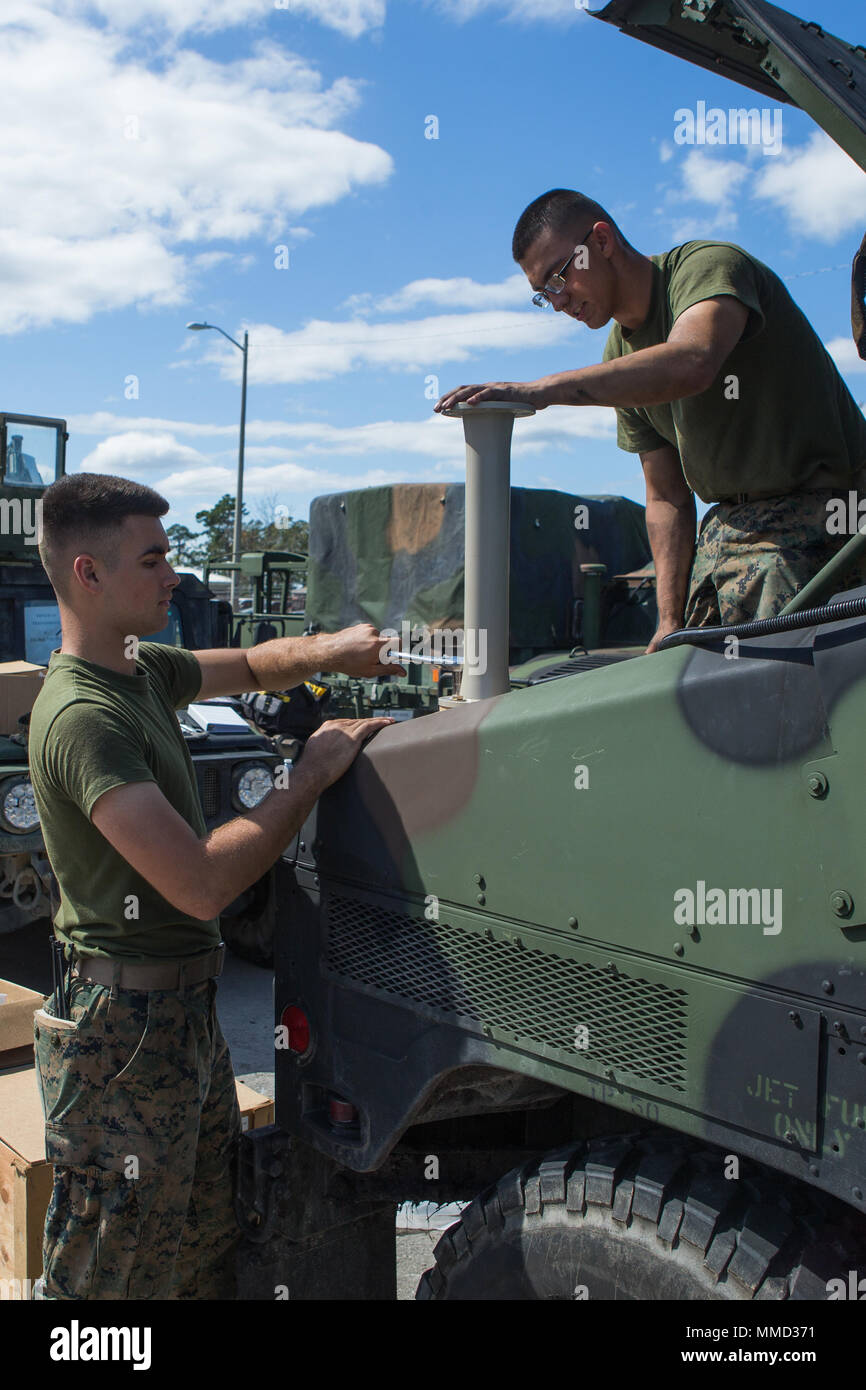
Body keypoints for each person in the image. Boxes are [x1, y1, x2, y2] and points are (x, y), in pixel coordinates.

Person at [28, 471, 403, 1300]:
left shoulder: (141, 669)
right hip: (121, 1038)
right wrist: (303, 777)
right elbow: (199, 884)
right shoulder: (86, 717)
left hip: (178, 1016)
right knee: (107, 1276)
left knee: (197, 1254)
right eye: (154, 559)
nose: (174, 576)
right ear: (88, 574)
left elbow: (252, 664)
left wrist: (336, 649)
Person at [436, 188, 866, 651]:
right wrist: (667, 618)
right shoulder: (619, 356)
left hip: (824, 523)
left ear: (601, 242)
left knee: (786, 697)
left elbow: (693, 360)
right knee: (688, 680)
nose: (558, 303)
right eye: (544, 295)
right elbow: (666, 497)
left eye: (558, 279)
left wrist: (541, 391)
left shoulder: (705, 268)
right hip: (727, 537)